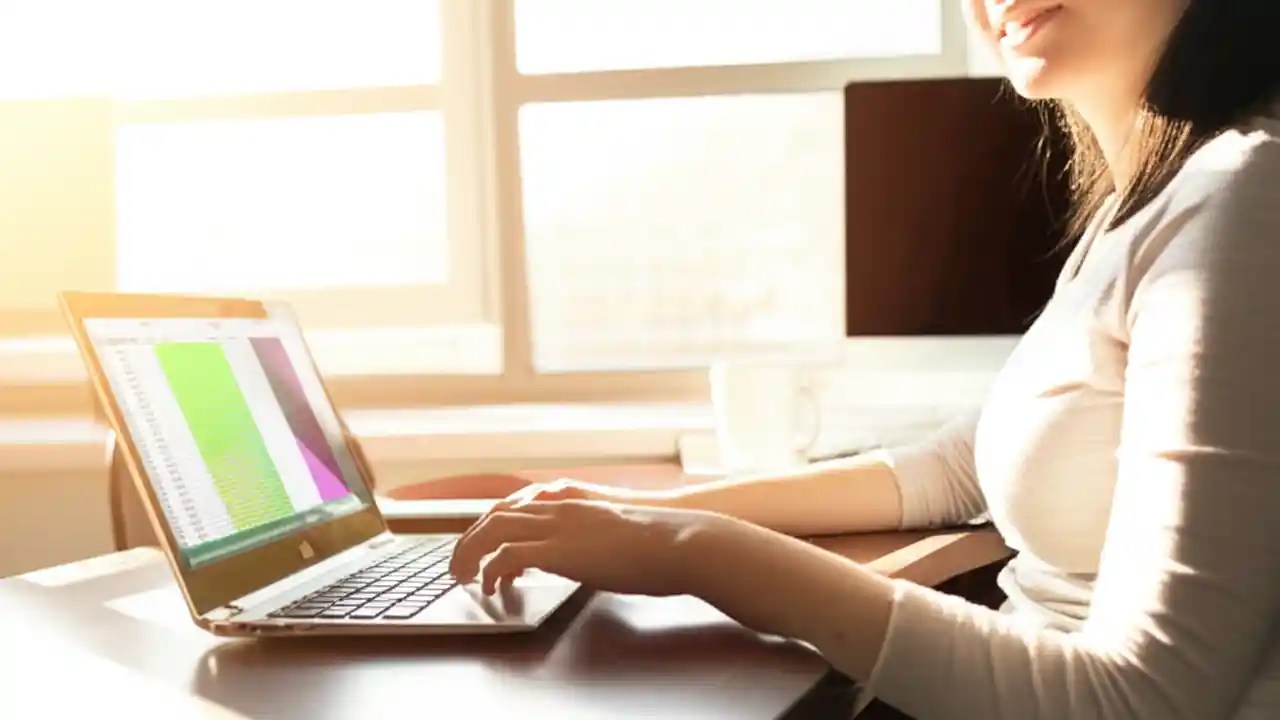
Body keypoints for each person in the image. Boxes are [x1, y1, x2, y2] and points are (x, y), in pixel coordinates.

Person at [449, 1, 1280, 717]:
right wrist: (638, 513)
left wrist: (688, 548)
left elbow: (1144, 702)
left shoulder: (1240, 202)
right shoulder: (1139, 213)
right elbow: (962, 465)